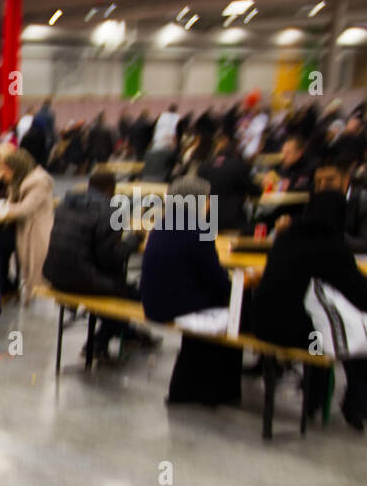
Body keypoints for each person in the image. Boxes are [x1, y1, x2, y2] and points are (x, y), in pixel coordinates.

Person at [253, 171, 367, 430]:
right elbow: (359, 293)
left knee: (317, 326)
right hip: (294, 333)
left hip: (262, 323)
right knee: (356, 339)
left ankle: (315, 399)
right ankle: (357, 405)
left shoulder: (285, 238)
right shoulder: (332, 246)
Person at [141, 176, 243, 406]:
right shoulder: (199, 230)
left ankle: (189, 388)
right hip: (177, 305)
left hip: (153, 302)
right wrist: (234, 295)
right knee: (239, 316)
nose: (210, 203)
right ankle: (223, 391)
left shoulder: (162, 225)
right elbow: (215, 279)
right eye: (207, 199)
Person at [41, 171, 146, 359]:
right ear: (110, 190)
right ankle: (101, 340)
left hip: (53, 274)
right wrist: (135, 239)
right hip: (80, 279)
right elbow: (111, 258)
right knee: (132, 294)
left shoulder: (66, 203)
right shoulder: (111, 211)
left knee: (114, 286)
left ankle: (126, 334)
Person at [0, 147, 54, 305]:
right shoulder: (22, 181)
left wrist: (1, 208)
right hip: (24, 228)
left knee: (32, 267)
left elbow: (24, 209)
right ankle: (10, 287)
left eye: (6, 170)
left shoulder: (39, 182)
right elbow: (13, 202)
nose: (4, 173)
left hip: (36, 230)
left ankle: (25, 292)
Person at [198, 132, 260, 234]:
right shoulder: (239, 166)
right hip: (233, 220)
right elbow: (255, 191)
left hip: (208, 220)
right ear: (236, 153)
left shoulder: (204, 166)